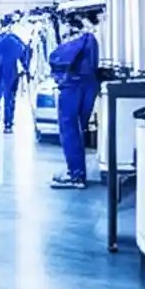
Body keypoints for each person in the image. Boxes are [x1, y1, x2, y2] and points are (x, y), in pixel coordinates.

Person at [48, 11, 101, 188]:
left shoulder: (77, 41)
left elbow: (56, 58)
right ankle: (77, 171)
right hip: (89, 86)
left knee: (69, 129)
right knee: (78, 129)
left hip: (73, 87)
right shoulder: (92, 40)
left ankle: (76, 175)